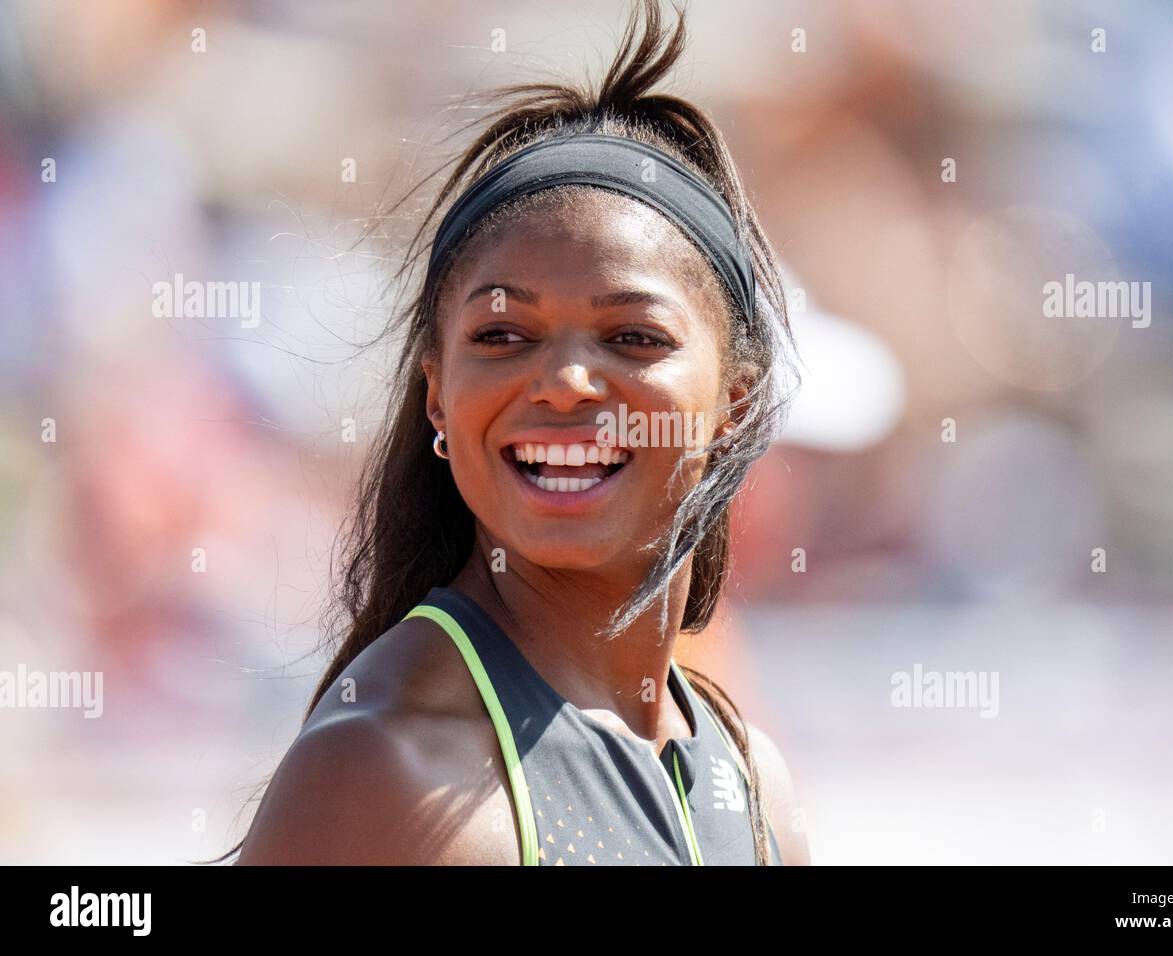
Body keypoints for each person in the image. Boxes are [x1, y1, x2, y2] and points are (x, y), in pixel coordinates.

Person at [224, 0, 809, 866]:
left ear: (734, 405)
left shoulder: (750, 782)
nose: (565, 384)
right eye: (502, 336)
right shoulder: (385, 768)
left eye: (634, 337)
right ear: (437, 396)